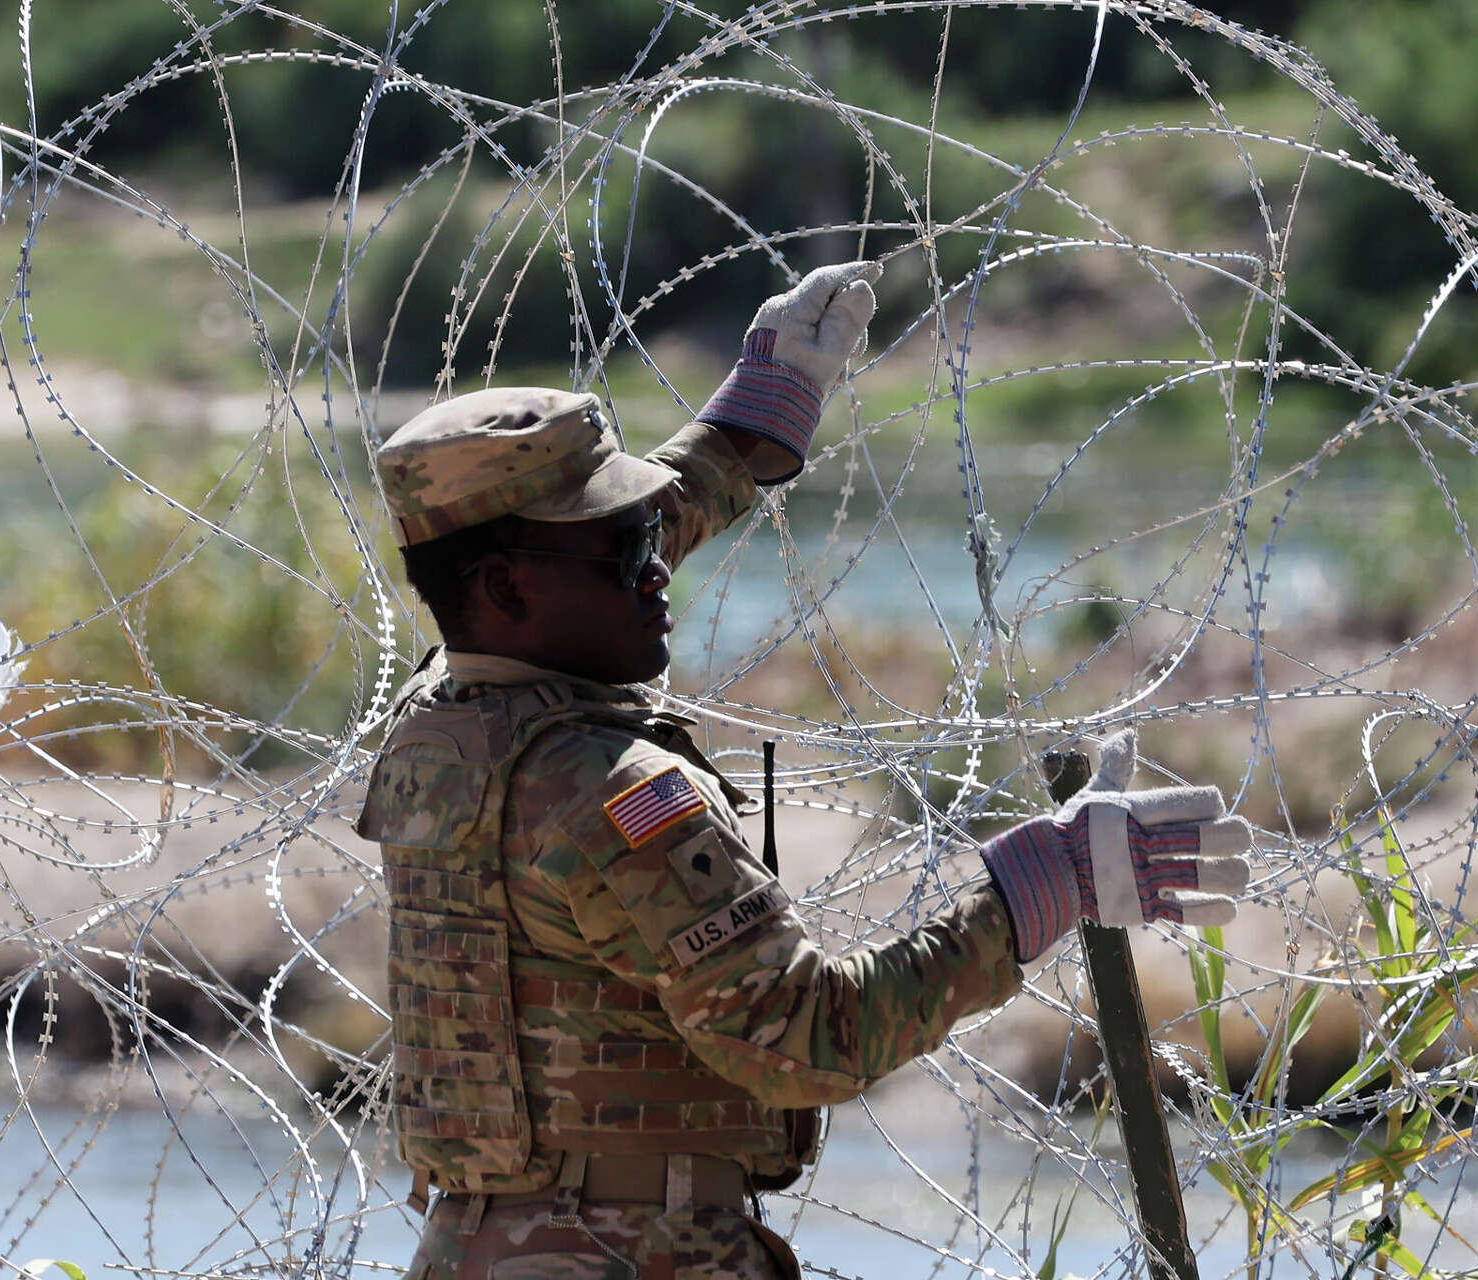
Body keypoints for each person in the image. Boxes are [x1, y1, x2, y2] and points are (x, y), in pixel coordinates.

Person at [358, 263, 1252, 1279]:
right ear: (510, 585)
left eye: (653, 531)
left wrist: (748, 431)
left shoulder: (445, 722)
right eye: (623, 550)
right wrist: (1044, 884)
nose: (657, 564)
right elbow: (809, 1036)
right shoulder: (606, 793)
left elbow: (604, 544)